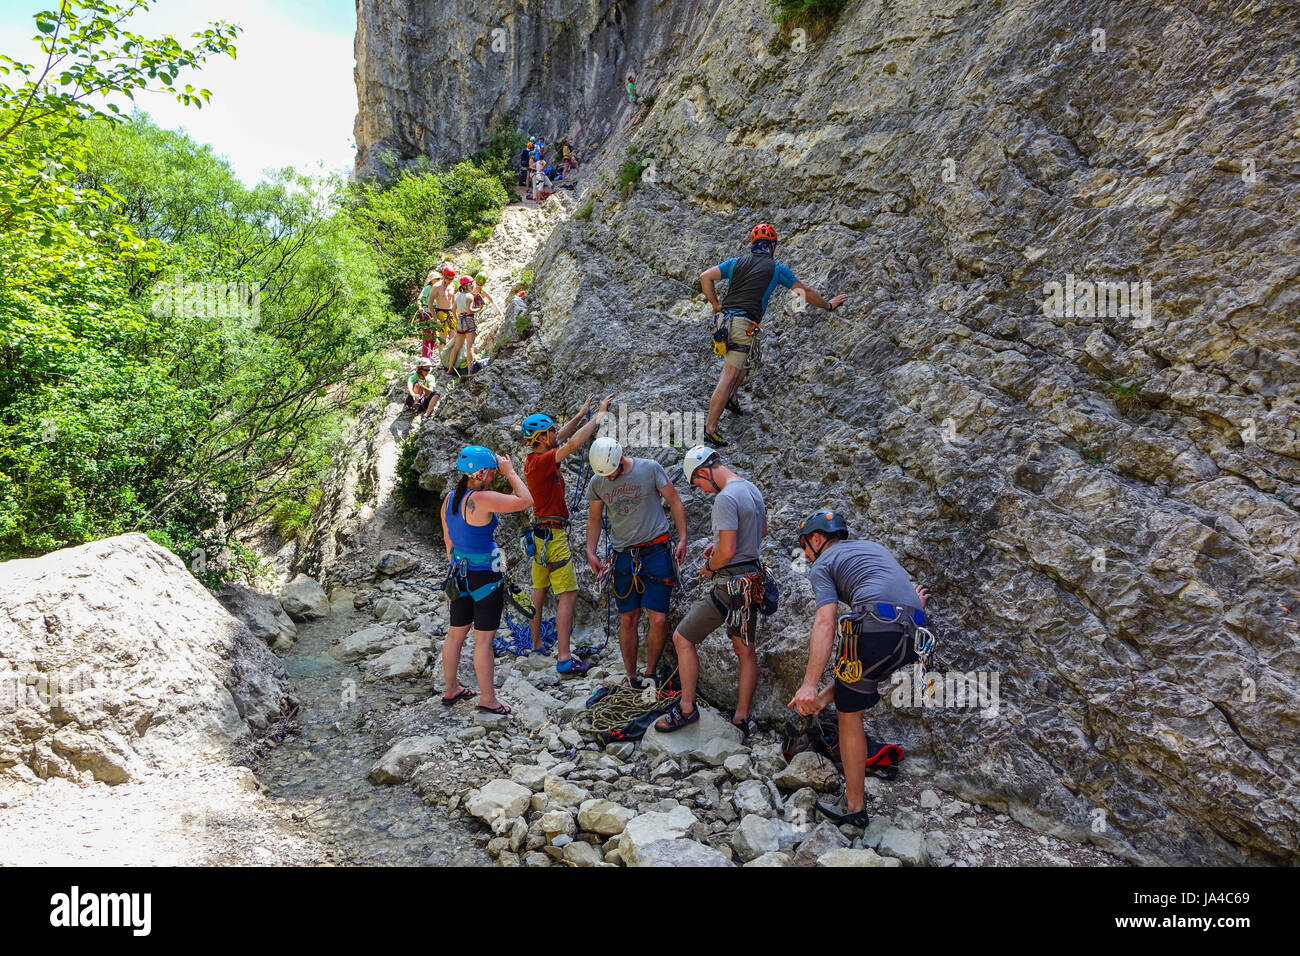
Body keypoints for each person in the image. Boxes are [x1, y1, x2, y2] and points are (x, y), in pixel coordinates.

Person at [787, 508, 933, 826]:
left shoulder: (824, 564)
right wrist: (914, 611)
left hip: (876, 625)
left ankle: (854, 808)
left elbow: (825, 621)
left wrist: (809, 683)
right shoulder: (874, 549)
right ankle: (825, 698)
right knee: (860, 674)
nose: (806, 555)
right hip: (918, 630)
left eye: (804, 546)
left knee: (849, 714)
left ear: (816, 538)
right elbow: (897, 591)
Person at [698, 223, 848, 446]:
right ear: (773, 246)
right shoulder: (776, 269)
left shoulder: (735, 263)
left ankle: (732, 397)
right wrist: (827, 305)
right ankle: (710, 429)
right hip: (744, 324)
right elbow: (803, 291)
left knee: (747, 360)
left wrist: (716, 305)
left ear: (753, 244)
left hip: (724, 323)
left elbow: (705, 276)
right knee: (728, 375)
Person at [655, 447, 767, 736]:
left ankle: (686, 708)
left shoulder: (726, 497)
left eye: (698, 483)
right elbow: (760, 532)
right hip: (751, 582)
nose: (702, 490)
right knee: (745, 650)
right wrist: (720, 548)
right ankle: (741, 719)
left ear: (704, 471)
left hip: (729, 584)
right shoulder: (751, 489)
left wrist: (710, 566)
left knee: (682, 636)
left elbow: (727, 551)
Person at [521, 394, 614, 674]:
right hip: (554, 537)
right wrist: (598, 416)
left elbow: (561, 436)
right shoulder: (542, 462)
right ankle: (564, 657)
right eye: (549, 432)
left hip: (540, 536)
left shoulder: (534, 458)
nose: (554, 434)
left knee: (540, 590)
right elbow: (572, 444)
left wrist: (580, 412)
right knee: (569, 594)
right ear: (541, 437)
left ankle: (536, 645)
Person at [585, 436, 687, 688]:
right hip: (623, 556)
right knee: (627, 618)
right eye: (605, 475)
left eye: (612, 473)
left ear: (620, 458)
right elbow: (595, 519)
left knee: (659, 618)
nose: (609, 479)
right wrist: (591, 551)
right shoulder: (598, 481)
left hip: (656, 550)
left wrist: (683, 538)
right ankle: (631, 676)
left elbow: (674, 501)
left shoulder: (649, 468)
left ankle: (650, 673)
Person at [439, 445, 533, 715]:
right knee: (483, 642)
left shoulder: (449, 500)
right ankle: (488, 699)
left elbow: (449, 541)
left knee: (455, 635)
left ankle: (451, 688)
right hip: (486, 578)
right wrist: (512, 472)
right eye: (491, 472)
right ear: (480, 473)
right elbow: (525, 501)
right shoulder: (483, 499)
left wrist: (459, 566)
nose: (494, 476)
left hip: (460, 574)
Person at [442, 275, 480, 377]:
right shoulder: (470, 296)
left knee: (456, 347)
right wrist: (479, 308)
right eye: (471, 284)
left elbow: (453, 310)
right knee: (470, 348)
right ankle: (469, 373)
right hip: (469, 321)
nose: (473, 285)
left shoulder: (458, 296)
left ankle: (449, 369)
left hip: (460, 323)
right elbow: (470, 311)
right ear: (467, 285)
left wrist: (457, 319)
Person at [429, 264, 459, 354]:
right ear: (444, 276)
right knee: (442, 339)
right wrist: (435, 318)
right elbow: (430, 303)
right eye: (448, 279)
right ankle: (442, 362)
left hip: (451, 312)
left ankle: (451, 360)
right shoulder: (436, 287)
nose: (450, 281)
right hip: (441, 312)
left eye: (452, 279)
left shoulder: (452, 285)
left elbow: (453, 301)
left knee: (453, 337)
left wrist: (456, 316)